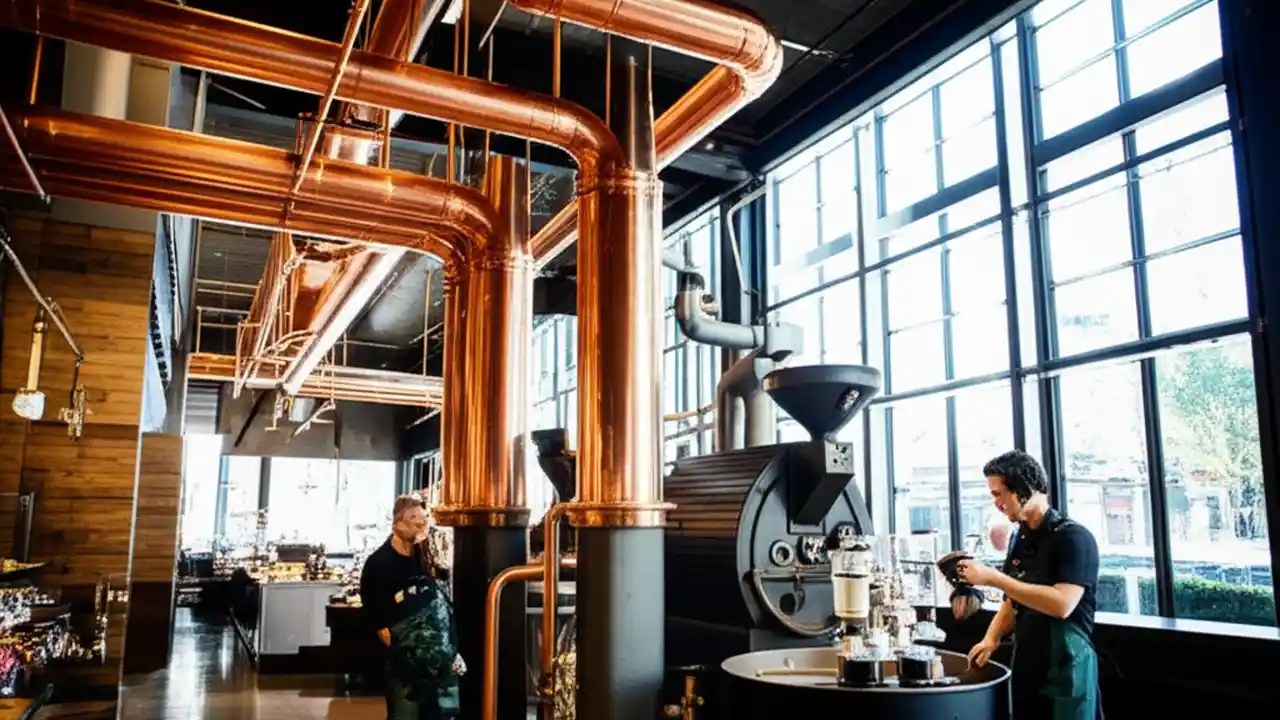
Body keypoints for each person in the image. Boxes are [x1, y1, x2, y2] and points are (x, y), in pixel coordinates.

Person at [957, 450, 1103, 720]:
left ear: (1024, 488)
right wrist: (991, 638)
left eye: (999, 493)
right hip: (1027, 662)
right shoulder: (1019, 537)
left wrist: (993, 578)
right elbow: (1014, 599)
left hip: (1067, 666)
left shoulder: (1074, 538)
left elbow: (1062, 604)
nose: (996, 503)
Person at [359, 495, 464, 720]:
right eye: (413, 518)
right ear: (397, 523)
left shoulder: (427, 558)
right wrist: (386, 633)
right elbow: (371, 605)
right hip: (402, 660)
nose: (420, 524)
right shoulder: (379, 562)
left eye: (423, 519)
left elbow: (443, 598)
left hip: (436, 659)